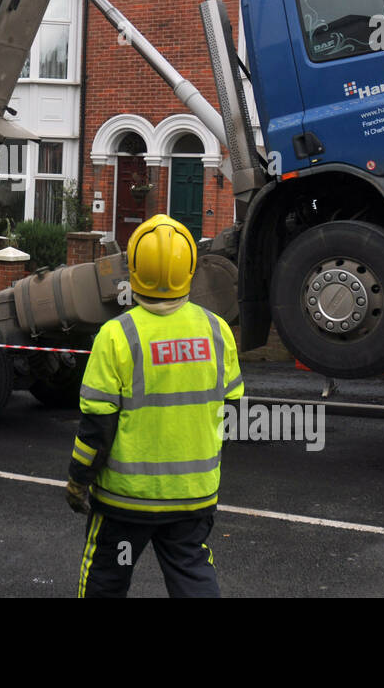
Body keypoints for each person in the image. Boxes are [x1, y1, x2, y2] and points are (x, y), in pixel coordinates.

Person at [67, 213, 244, 598]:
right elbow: (231, 415)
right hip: (193, 496)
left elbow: (96, 427)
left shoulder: (115, 336)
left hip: (123, 500)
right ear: (191, 269)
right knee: (192, 574)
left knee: (106, 577)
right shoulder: (217, 331)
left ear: (133, 270)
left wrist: (78, 480)